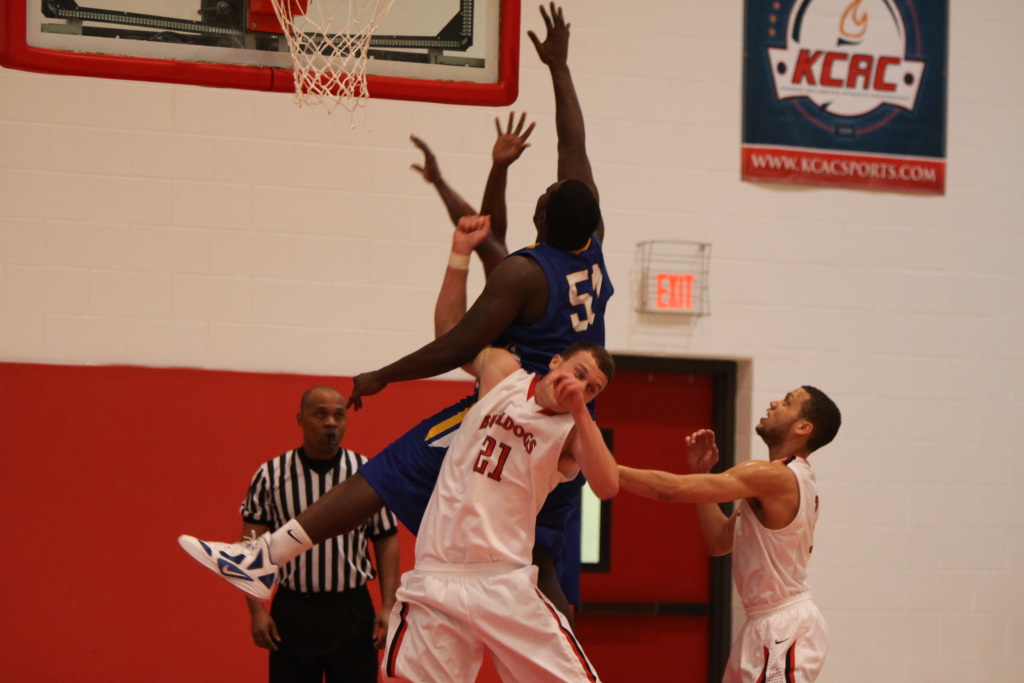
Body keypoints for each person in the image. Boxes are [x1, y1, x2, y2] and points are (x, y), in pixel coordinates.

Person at [179, 2, 610, 624]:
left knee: (390, 468)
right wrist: (560, 70)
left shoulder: (524, 271)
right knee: (537, 557)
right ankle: (570, 662)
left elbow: (457, 344)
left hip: (523, 406)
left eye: (541, 197)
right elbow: (576, 144)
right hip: (574, 422)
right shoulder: (591, 244)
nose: (545, 192)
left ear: (542, 221)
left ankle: (266, 556)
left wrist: (383, 375)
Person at [381, 340, 618, 683]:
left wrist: (581, 411)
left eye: (591, 389)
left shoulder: (572, 432)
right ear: (555, 361)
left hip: (503, 580)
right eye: (578, 374)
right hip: (436, 576)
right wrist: (457, 281)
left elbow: (607, 485)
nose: (580, 387)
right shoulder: (504, 374)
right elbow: (452, 337)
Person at [616, 387, 841, 683]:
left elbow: (670, 490)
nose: (774, 402)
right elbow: (720, 541)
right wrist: (704, 472)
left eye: (787, 402)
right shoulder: (786, 477)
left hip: (784, 626)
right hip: (762, 624)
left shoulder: (775, 476)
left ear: (803, 427)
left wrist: (603, 467)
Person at [181, 386, 400, 683]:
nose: (331, 423)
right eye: (321, 414)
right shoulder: (271, 474)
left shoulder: (366, 473)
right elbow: (250, 546)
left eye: (339, 415)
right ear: (300, 419)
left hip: (351, 609)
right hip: (295, 609)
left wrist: (388, 606)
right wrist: (256, 612)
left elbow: (386, 538)